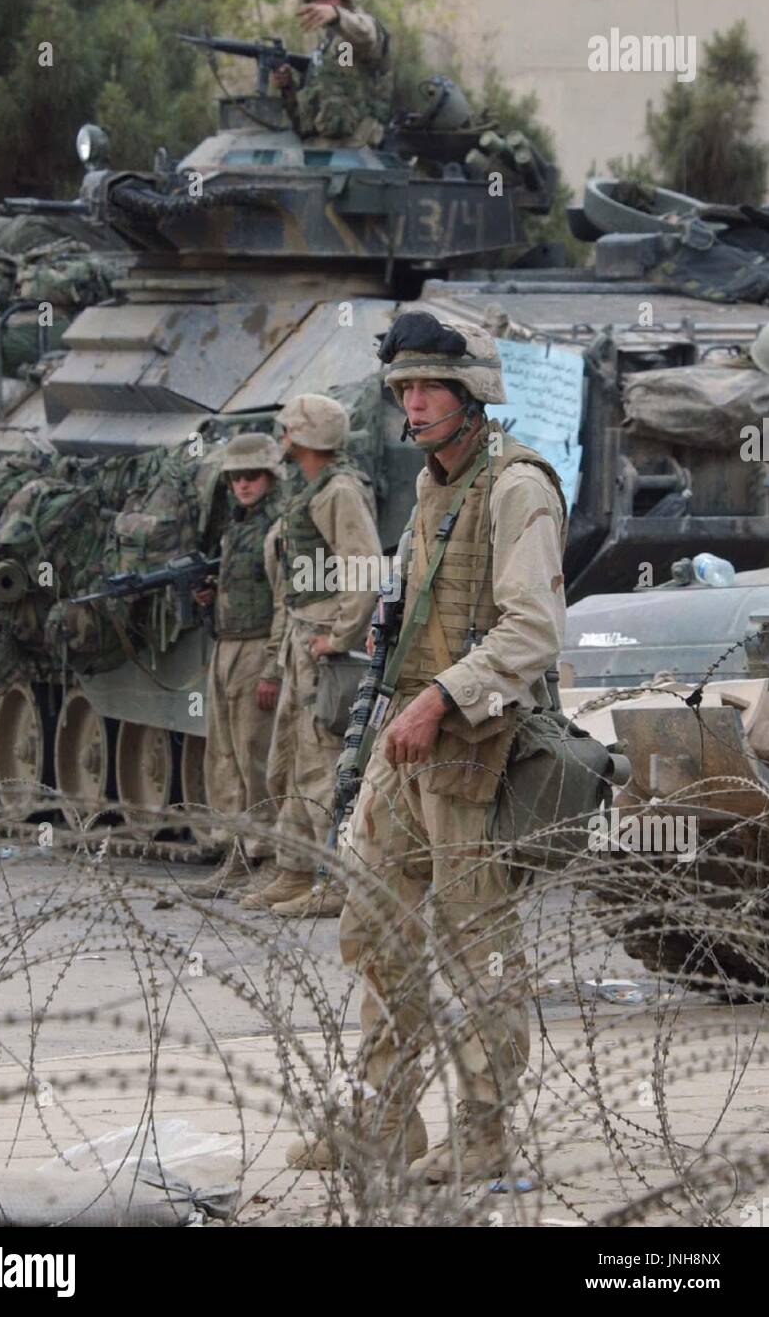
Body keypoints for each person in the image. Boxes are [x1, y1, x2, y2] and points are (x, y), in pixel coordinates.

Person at [286, 312, 568, 1182]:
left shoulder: (516, 487)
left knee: (475, 944)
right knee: (376, 932)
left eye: (429, 388)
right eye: (403, 388)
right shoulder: (430, 487)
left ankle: (483, 1136)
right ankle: (387, 1120)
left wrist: (444, 695)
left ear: (471, 391)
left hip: (471, 748)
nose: (413, 403)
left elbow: (534, 629)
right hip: (405, 743)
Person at [239, 393, 382, 918]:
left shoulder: (339, 491)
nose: (281, 439)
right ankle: (296, 869)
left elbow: (365, 568)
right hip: (303, 639)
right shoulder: (314, 489)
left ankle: (338, 879)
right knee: (290, 764)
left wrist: (340, 636)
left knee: (325, 767)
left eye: (288, 431)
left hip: (322, 647)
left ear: (304, 438)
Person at [189, 433, 285, 902]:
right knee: (223, 756)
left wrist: (273, 666)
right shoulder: (237, 526)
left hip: (256, 646)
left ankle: (267, 854)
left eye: (253, 476)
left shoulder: (278, 528)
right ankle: (234, 851)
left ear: (270, 477)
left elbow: (287, 602)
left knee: (256, 757)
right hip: (226, 646)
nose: (244, 485)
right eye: (236, 478)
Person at [273, 0, 393, 147]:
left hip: (358, 152)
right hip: (321, 151)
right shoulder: (328, 44)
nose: (318, 5)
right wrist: (288, 86)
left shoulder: (362, 31)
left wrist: (337, 15)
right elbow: (335, 84)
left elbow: (366, 33)